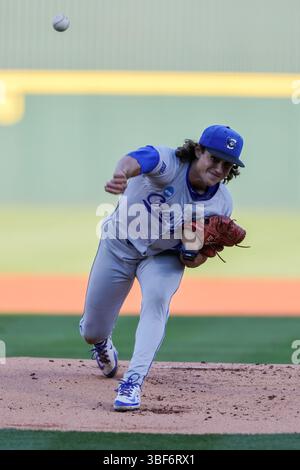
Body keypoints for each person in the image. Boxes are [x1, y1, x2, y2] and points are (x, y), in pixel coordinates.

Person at [79, 124, 245, 411]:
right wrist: (121, 174)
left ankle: (132, 381)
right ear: (198, 151)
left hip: (162, 257)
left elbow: (191, 258)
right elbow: (134, 160)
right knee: (92, 330)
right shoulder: (168, 162)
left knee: (157, 301)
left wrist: (193, 253)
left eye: (227, 164)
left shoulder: (220, 203)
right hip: (120, 245)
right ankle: (101, 343)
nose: (219, 168)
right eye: (214, 158)